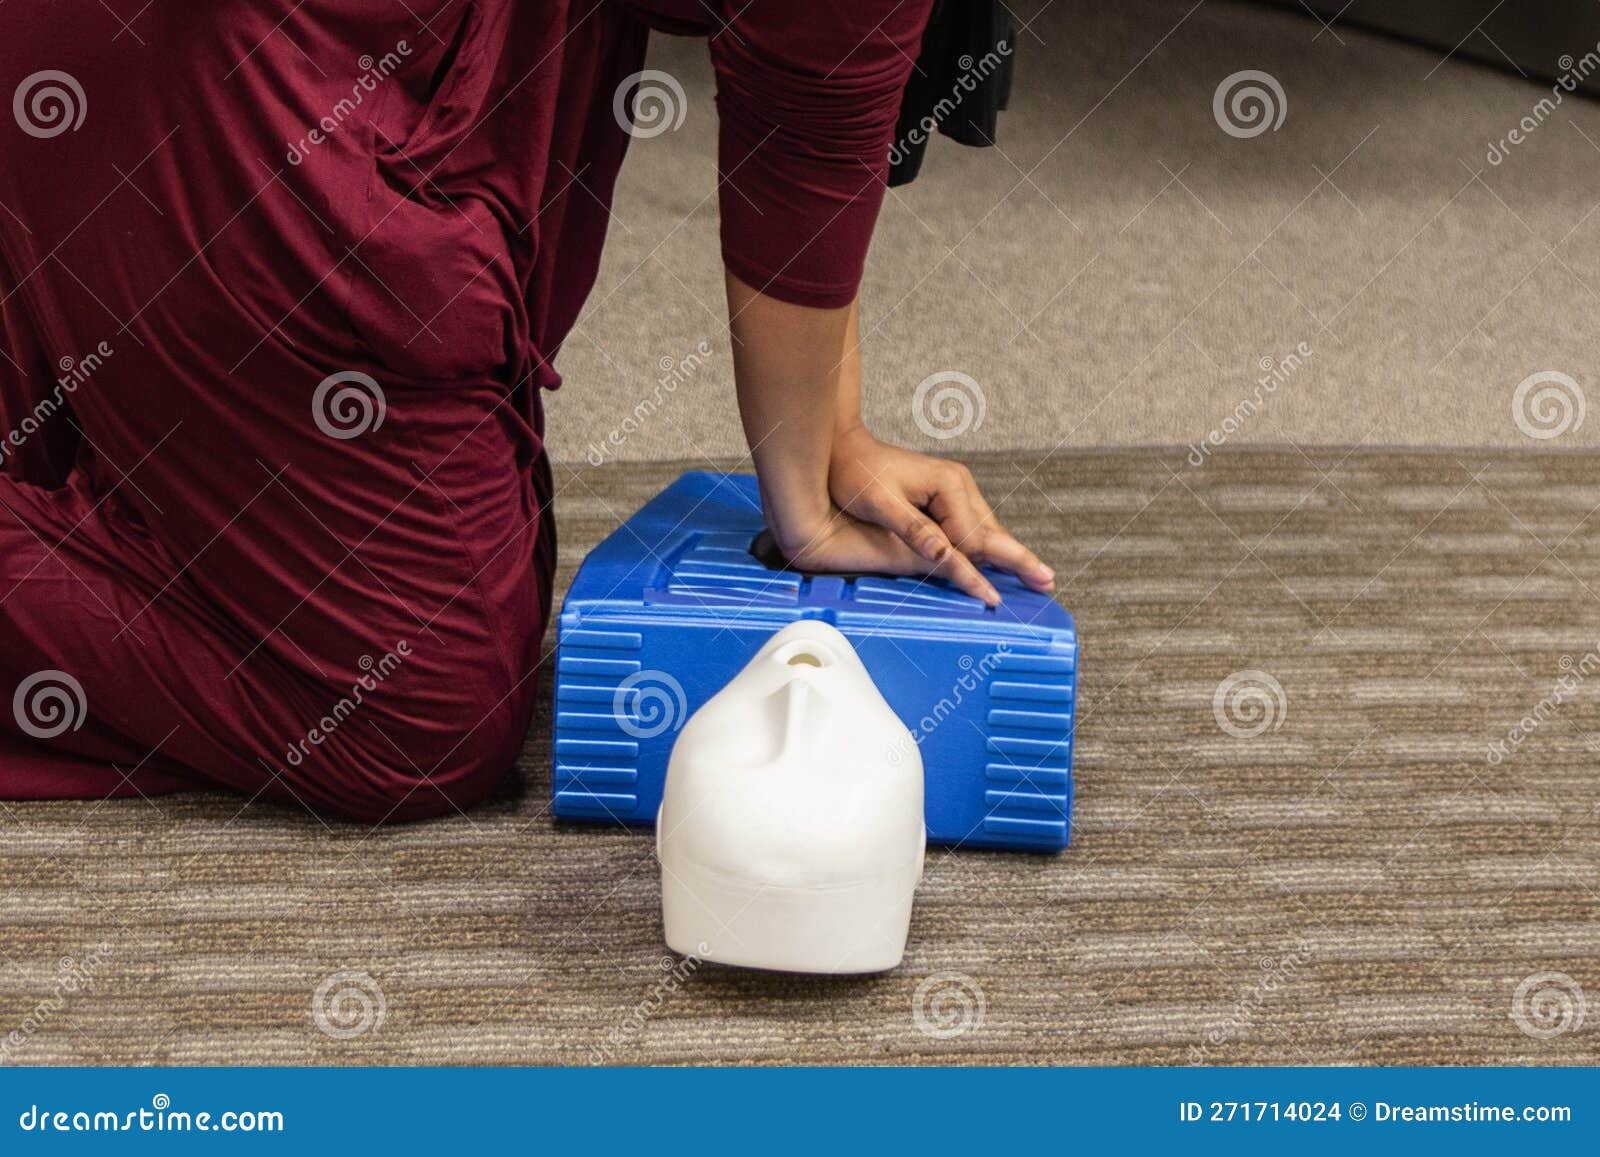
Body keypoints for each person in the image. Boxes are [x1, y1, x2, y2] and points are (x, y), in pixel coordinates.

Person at [0, 0, 1052, 822]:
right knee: (416, 696)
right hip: (249, 103)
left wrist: (830, 433)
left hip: (92, 72)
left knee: (54, 425)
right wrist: (805, 502)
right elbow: (812, 128)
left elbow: (810, 93)